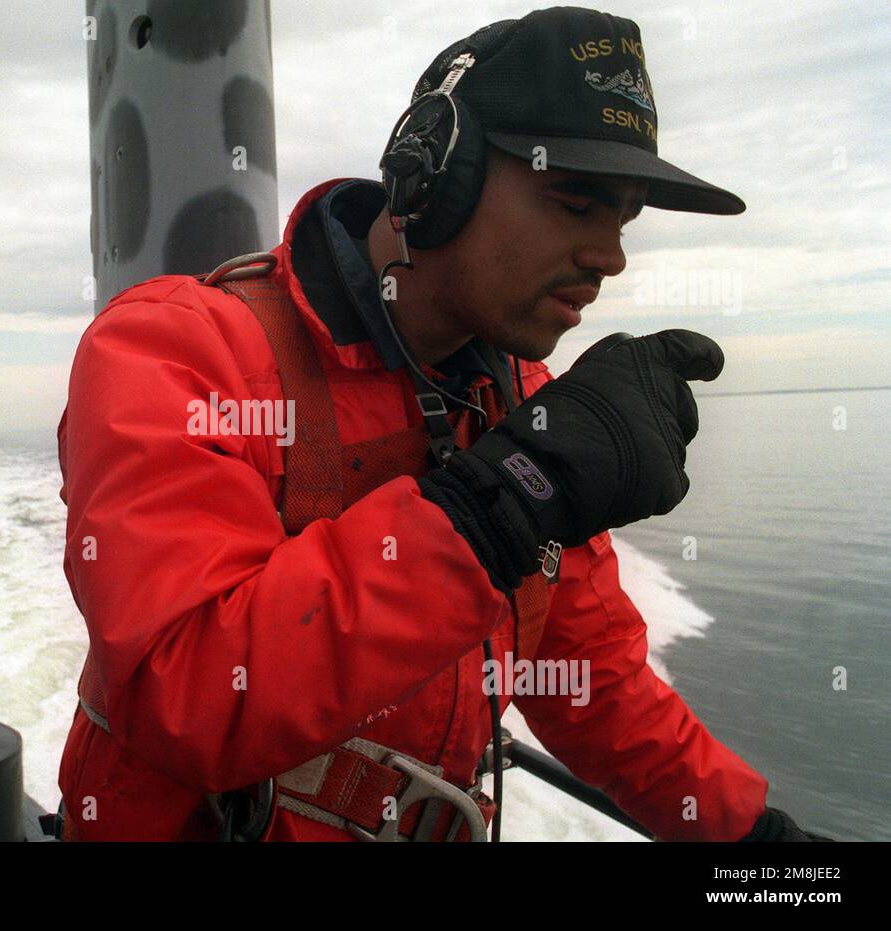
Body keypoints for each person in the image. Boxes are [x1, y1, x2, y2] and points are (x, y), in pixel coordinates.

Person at [54, 6, 830, 842]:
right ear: (434, 175)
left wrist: (759, 842)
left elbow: (592, 682)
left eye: (624, 219)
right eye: (576, 202)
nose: (612, 255)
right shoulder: (173, 348)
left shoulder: (518, 403)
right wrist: (500, 502)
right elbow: (187, 691)